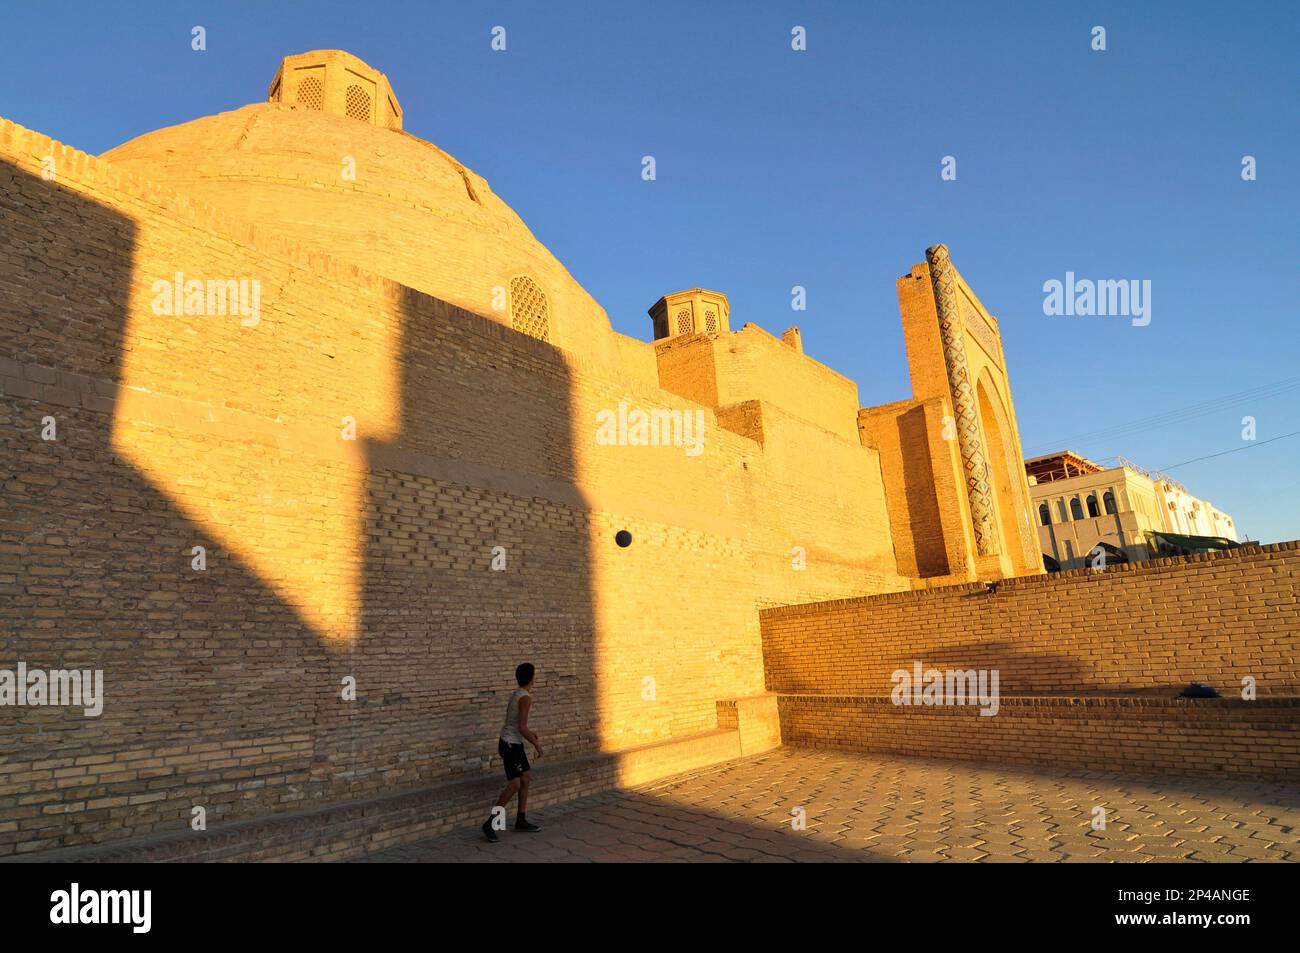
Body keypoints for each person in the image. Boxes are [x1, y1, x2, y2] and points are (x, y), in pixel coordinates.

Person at [482, 662, 543, 841]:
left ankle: (521, 820)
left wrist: (530, 734)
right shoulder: (525, 697)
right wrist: (536, 744)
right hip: (509, 744)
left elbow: (517, 725)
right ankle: (490, 823)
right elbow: (521, 727)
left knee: (525, 778)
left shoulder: (518, 694)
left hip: (512, 742)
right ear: (532, 678)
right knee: (515, 784)